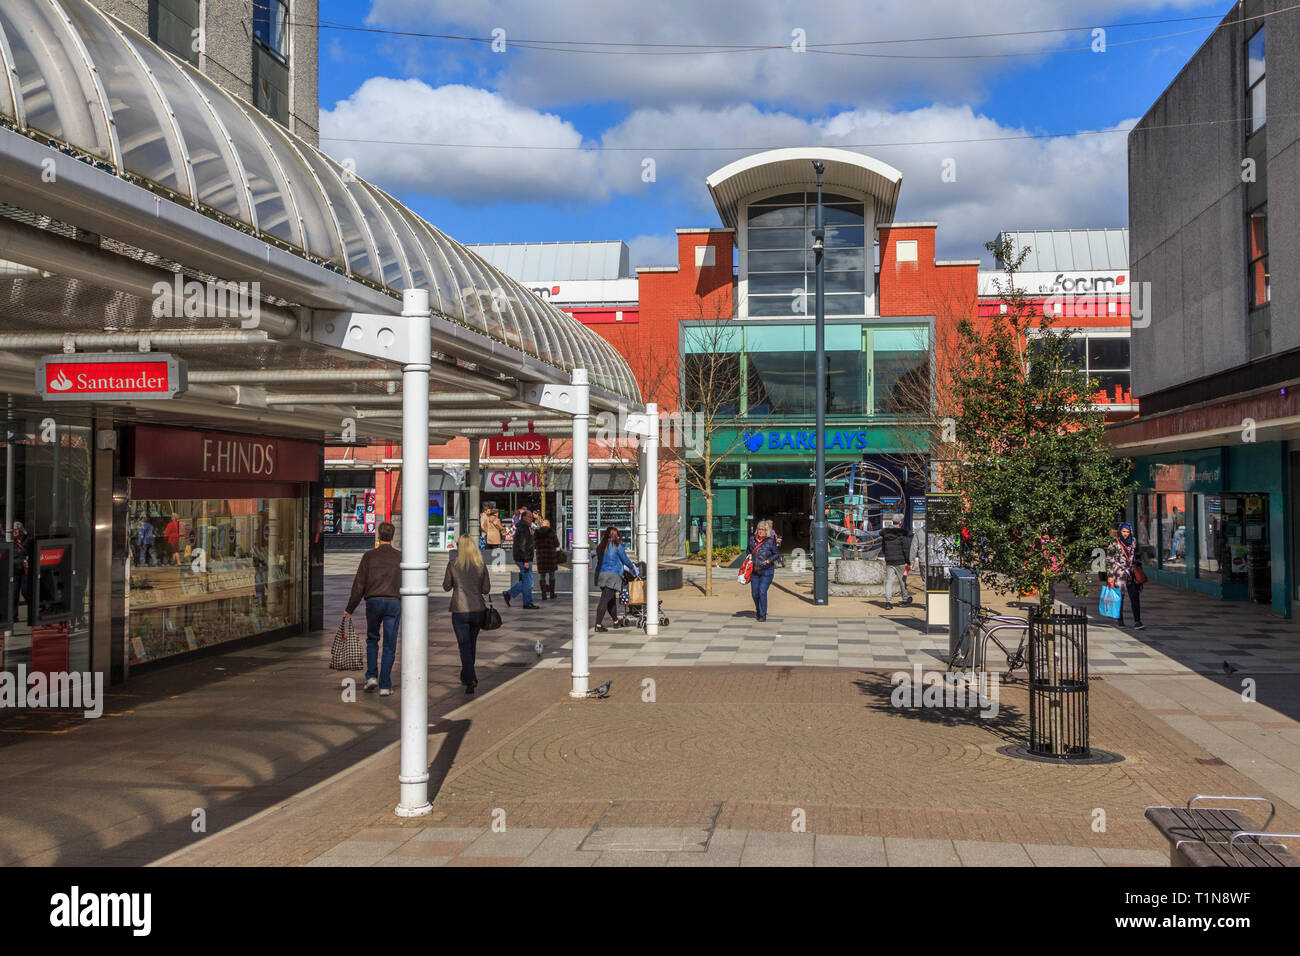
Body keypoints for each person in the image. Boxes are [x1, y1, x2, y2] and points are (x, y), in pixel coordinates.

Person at [344, 521, 402, 696]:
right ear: (392, 537)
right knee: (390, 644)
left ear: (378, 535)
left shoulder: (369, 556)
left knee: (372, 639)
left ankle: (371, 677)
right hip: (393, 602)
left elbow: (359, 584)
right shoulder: (400, 557)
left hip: (374, 601)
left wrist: (350, 608)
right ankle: (385, 685)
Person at [443, 532, 491, 694]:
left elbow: (446, 586)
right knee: (472, 643)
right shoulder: (480, 565)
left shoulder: (453, 564)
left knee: (464, 645)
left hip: (460, 609)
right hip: (478, 609)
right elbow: (486, 589)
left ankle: (470, 678)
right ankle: (467, 675)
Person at [593, 525, 636, 632]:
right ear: (616, 535)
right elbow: (625, 559)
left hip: (601, 574)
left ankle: (616, 621)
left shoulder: (601, 546)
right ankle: (598, 625)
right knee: (604, 600)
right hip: (612, 575)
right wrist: (633, 566)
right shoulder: (617, 546)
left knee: (610, 599)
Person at [1107, 521, 1145, 630]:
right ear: (1120, 531)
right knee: (1120, 597)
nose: (1125, 533)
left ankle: (1137, 621)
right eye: (1123, 531)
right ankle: (1120, 620)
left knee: (1134, 596)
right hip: (1118, 573)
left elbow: (1137, 557)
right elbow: (1109, 560)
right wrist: (1110, 576)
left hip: (1131, 573)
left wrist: (1138, 568)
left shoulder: (1133, 542)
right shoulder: (1114, 543)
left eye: (1127, 531)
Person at [502, 509, 539, 609]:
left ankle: (509, 594)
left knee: (527, 580)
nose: (532, 518)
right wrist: (526, 560)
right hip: (523, 558)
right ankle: (527, 602)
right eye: (530, 516)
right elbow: (523, 545)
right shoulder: (524, 528)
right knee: (528, 581)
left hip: (521, 557)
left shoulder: (524, 527)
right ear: (524, 517)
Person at [748, 520, 780, 622]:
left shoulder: (770, 541)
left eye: (763, 529)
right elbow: (748, 551)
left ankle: (762, 614)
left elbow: (776, 554)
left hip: (767, 571)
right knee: (754, 593)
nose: (760, 531)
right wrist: (748, 559)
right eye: (759, 529)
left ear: (767, 531)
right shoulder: (752, 539)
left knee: (762, 591)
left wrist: (768, 560)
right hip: (754, 571)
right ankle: (758, 608)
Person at [880, 513, 914, 610]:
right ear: (900, 522)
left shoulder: (886, 534)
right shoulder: (902, 534)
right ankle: (905, 598)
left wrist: (887, 555)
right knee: (902, 581)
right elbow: (906, 549)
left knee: (889, 581)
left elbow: (883, 548)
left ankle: (888, 602)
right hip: (900, 561)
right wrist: (908, 562)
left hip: (889, 561)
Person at [534, 517, 560, 601]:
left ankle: (543, 595)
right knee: (552, 575)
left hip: (541, 556)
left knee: (542, 576)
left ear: (542, 525)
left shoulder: (537, 532)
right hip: (551, 556)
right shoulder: (552, 532)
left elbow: (534, 544)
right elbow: (557, 544)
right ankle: (552, 593)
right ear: (548, 525)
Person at [11, 522, 30, 619]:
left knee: (26, 591)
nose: (14, 531)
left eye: (16, 529)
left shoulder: (28, 540)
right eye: (13, 529)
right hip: (14, 571)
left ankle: (33, 609)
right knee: (14, 593)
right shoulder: (10, 541)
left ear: (21, 530)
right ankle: (14, 616)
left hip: (25, 571)